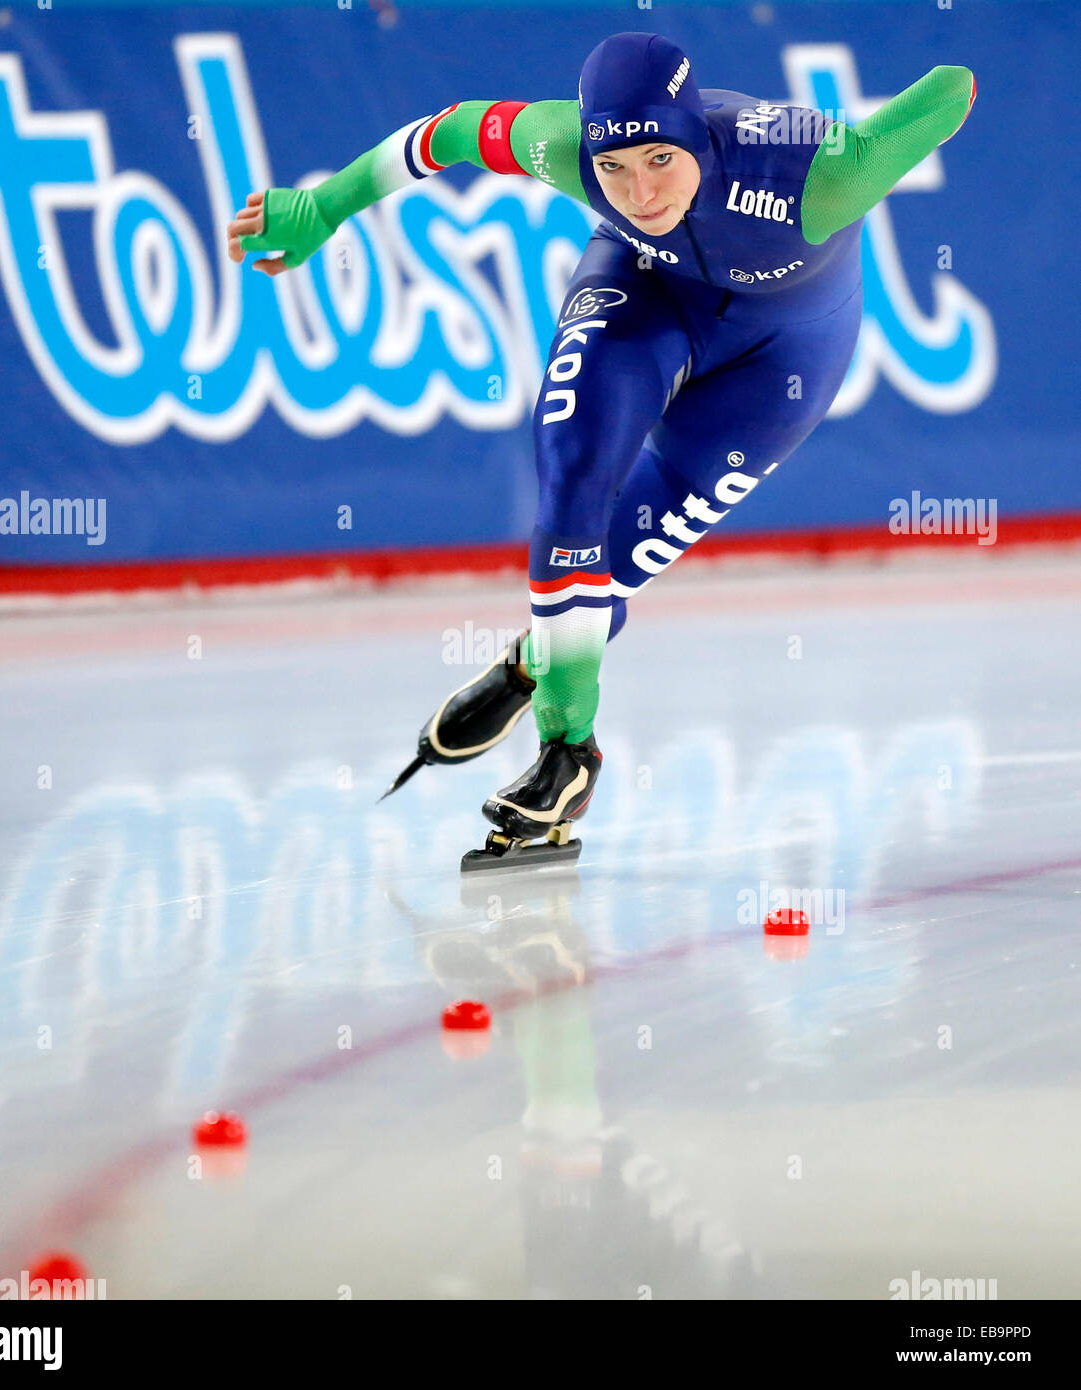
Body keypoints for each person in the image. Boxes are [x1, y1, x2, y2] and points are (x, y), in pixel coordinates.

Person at [228, 31, 975, 852]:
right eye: (614, 168)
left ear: (698, 135)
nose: (639, 191)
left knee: (612, 564)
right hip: (646, 288)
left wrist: (902, 123)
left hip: (783, 355)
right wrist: (323, 208)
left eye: (660, 159)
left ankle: (527, 664)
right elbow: (443, 133)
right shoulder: (562, 144)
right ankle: (568, 750)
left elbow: (951, 88)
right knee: (572, 477)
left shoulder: (813, 172)